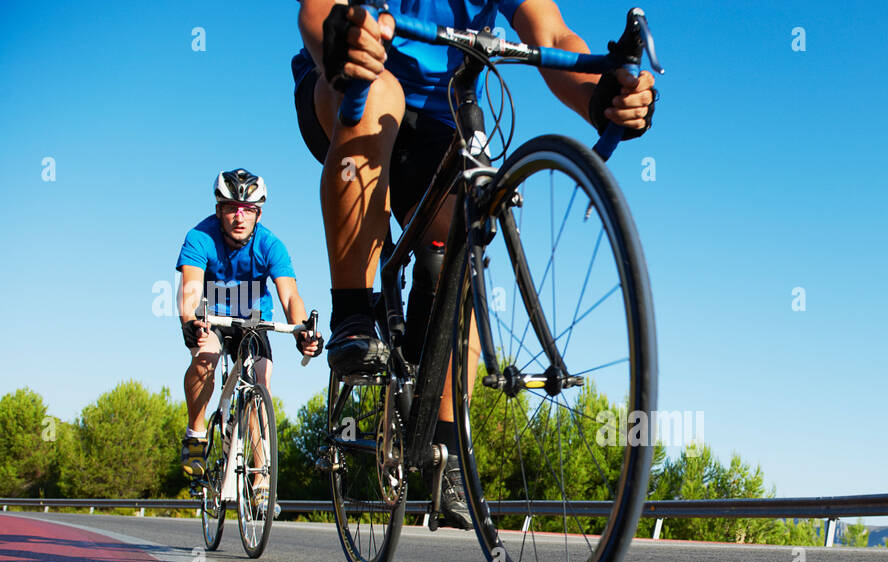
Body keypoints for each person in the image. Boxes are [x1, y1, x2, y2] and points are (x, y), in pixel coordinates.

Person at [292, 0, 656, 528]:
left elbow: (550, 32)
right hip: (351, 79)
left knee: (466, 233)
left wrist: (603, 96)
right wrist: (341, 39)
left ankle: (445, 447)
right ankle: (352, 310)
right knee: (378, 98)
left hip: (441, 112)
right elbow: (317, 9)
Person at [177, 169, 323, 509]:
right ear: (219, 210)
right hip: (212, 316)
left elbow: (290, 297)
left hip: (255, 320)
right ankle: (197, 433)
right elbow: (191, 290)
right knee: (206, 357)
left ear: (258, 213)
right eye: (231, 207)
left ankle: (260, 478)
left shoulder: (271, 244)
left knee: (261, 379)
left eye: (248, 209)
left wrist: (303, 329)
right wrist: (191, 322)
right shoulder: (200, 237)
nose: (239, 216)